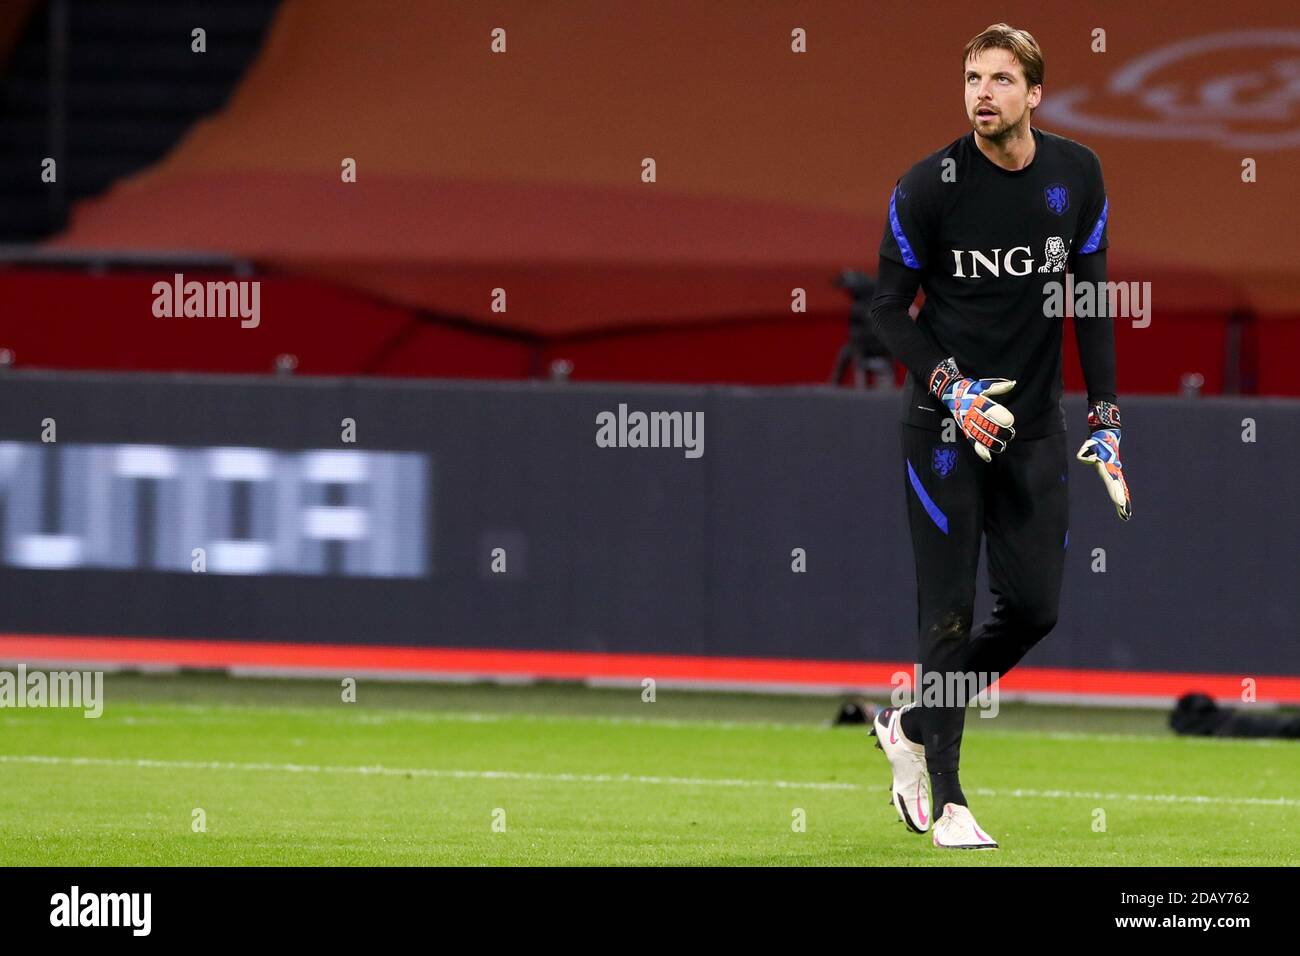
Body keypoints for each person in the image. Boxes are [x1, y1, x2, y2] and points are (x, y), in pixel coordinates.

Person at [866, 22, 1132, 849]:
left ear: (1035, 94)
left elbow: (1089, 302)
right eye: (973, 78)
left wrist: (1109, 419)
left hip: (1035, 428)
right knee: (946, 617)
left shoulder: (1077, 175)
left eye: (1001, 79)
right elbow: (885, 308)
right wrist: (952, 388)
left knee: (1035, 608)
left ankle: (909, 722)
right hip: (945, 429)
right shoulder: (929, 185)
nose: (983, 92)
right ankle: (947, 799)